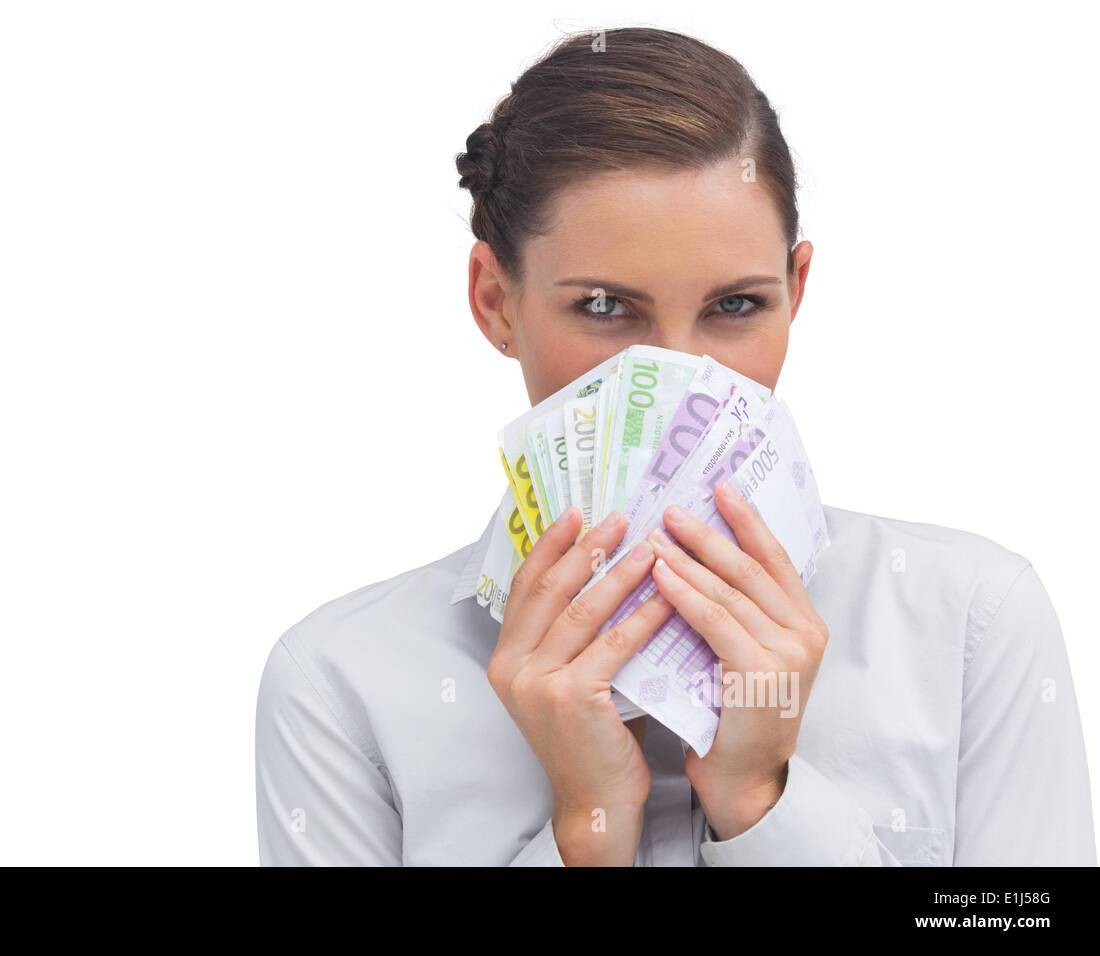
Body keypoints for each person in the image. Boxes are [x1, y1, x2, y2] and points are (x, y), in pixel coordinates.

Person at [254, 26, 1096, 866]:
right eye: (603, 307)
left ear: (796, 292)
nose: (683, 377)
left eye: (735, 307)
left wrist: (760, 802)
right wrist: (586, 825)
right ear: (494, 303)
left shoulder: (974, 624)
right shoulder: (339, 685)